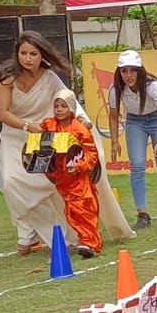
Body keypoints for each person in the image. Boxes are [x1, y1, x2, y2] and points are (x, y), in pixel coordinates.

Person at [0, 31, 131, 254]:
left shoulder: (49, 77)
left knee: (53, 184)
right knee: (12, 182)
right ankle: (26, 230)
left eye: (33, 54)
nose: (27, 58)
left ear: (41, 55)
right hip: (15, 136)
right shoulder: (7, 77)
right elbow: (2, 112)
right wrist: (28, 126)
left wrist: (83, 121)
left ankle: (63, 233)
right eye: (23, 53)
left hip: (47, 139)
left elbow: (69, 101)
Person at [108, 50, 157, 231]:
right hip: (135, 121)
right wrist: (114, 141)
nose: (129, 75)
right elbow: (114, 116)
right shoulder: (115, 89)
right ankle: (142, 213)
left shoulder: (153, 86)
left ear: (140, 70)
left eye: (133, 70)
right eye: (124, 71)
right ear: (119, 72)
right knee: (137, 165)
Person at [40, 90, 102, 258]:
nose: (59, 109)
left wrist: (80, 166)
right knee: (71, 212)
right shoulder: (49, 125)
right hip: (61, 179)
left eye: (63, 106)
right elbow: (40, 143)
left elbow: (92, 154)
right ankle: (84, 239)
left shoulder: (80, 129)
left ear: (72, 109)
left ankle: (90, 243)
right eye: (56, 106)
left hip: (79, 179)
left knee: (83, 210)